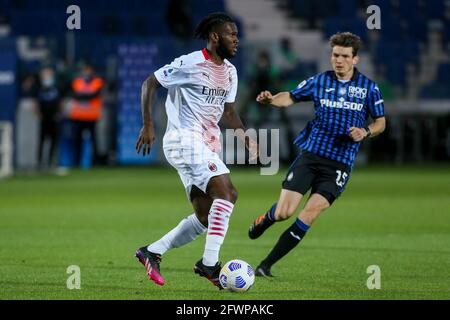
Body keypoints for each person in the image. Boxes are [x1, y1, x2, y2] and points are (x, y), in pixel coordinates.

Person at [248, 32, 386, 277]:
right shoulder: (319, 81)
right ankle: (266, 218)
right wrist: (271, 100)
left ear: (355, 59)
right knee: (284, 212)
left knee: (309, 214)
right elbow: (289, 97)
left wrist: (365, 132)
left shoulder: (369, 88)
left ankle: (265, 266)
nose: (338, 60)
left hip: (340, 165)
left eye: (344, 56)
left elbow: (380, 123)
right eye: (335, 55)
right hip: (312, 155)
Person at [135, 12, 257, 288]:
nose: (237, 40)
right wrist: (148, 125)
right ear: (215, 37)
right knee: (228, 193)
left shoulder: (230, 72)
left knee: (205, 216)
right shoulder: (190, 63)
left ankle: (151, 252)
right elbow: (150, 83)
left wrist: (245, 136)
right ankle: (210, 264)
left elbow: (228, 111)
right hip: (183, 139)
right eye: (232, 35)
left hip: (206, 144)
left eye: (238, 35)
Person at [69, 62, 104, 167]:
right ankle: (77, 163)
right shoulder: (77, 81)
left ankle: (95, 162)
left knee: (94, 141)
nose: (86, 72)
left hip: (91, 117)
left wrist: (82, 95)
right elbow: (74, 94)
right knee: (77, 141)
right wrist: (86, 95)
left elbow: (94, 94)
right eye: (85, 70)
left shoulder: (97, 81)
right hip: (78, 116)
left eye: (88, 70)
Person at [36, 66, 61, 169]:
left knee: (53, 140)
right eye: (45, 74)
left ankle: (51, 161)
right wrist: (38, 113)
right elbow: (36, 102)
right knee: (42, 140)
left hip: (53, 117)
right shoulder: (39, 89)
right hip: (44, 117)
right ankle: (40, 161)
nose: (47, 77)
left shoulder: (56, 88)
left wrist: (59, 113)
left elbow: (60, 101)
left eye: (49, 74)